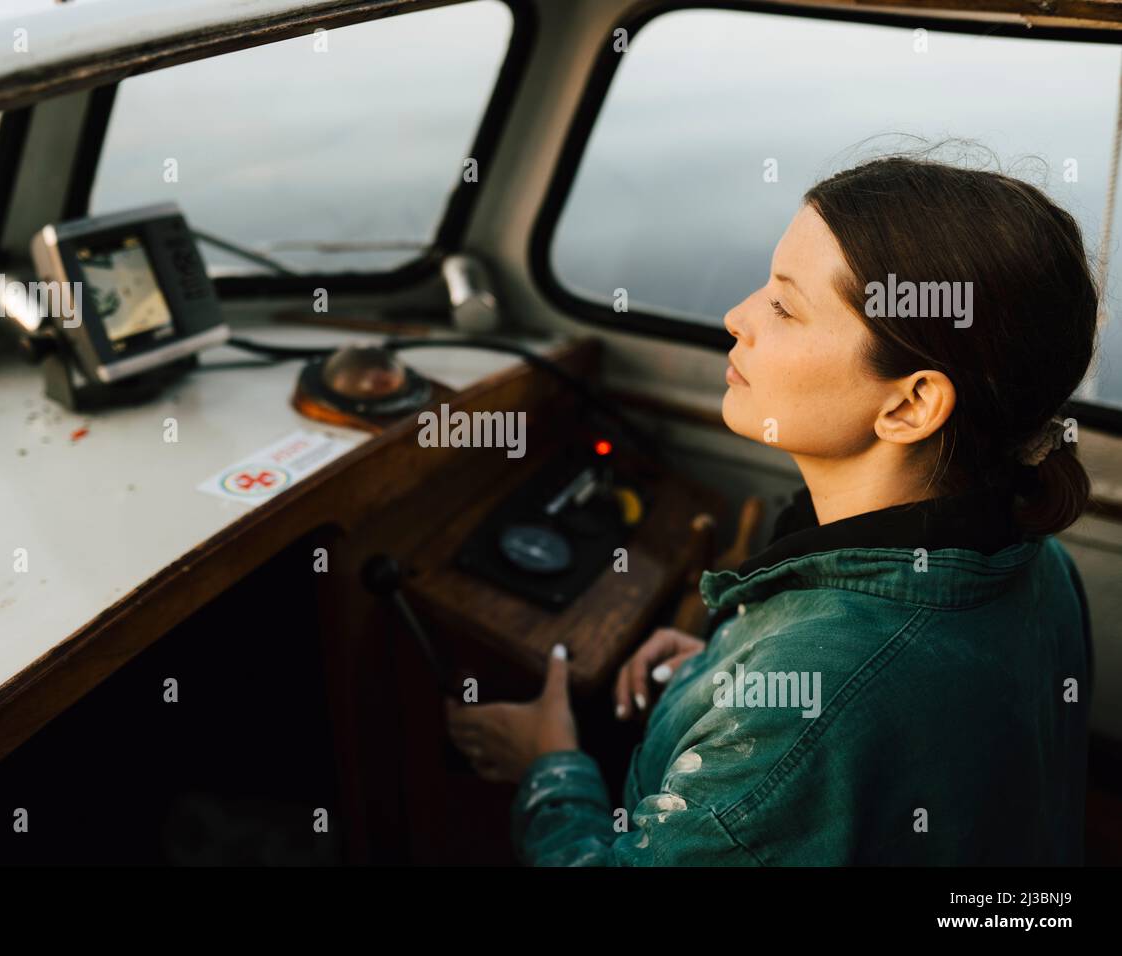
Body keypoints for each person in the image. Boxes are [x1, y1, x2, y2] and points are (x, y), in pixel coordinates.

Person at [445, 154, 1096, 865]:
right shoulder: (1035, 561)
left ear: (909, 404)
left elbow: (839, 715)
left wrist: (550, 766)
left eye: (786, 306)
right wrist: (716, 675)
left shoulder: (801, 719)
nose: (739, 317)